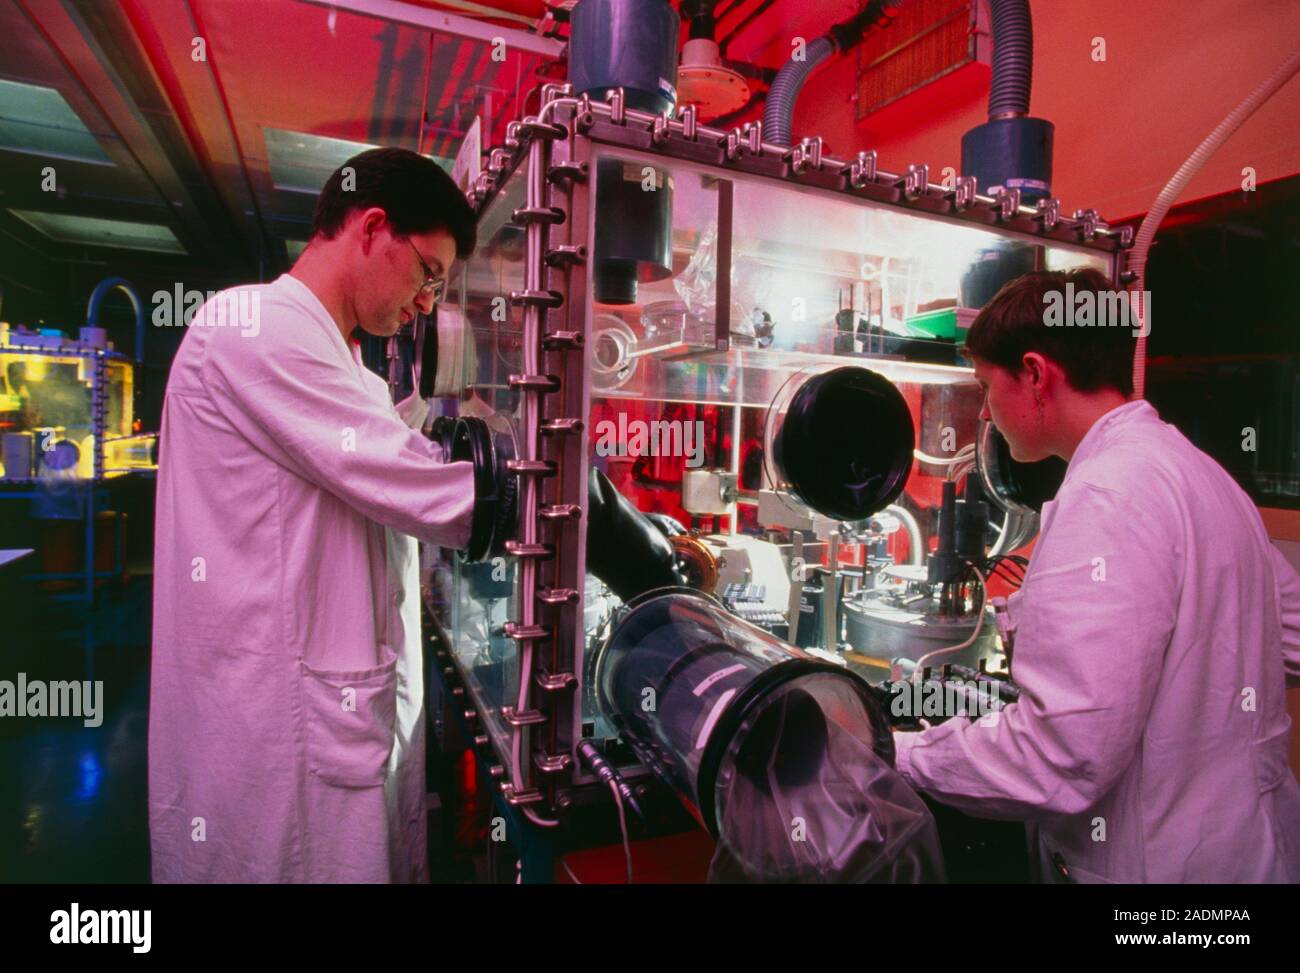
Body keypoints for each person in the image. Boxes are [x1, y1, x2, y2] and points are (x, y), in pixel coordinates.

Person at [892, 267, 1300, 883]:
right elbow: (1288, 635)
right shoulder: (1201, 474)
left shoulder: (1106, 496)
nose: (986, 410)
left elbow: (1058, 757)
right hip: (1252, 856)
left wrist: (894, 754)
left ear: (1033, 373)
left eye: (984, 385)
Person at [149, 147, 480, 882]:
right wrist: (556, 494)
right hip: (275, 729)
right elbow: (423, 486)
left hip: (332, 716)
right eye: (428, 273)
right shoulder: (251, 326)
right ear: (371, 228)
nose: (428, 301)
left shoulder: (346, 370)